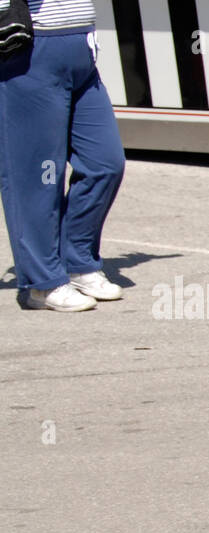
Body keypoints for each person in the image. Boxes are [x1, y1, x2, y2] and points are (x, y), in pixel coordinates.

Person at [0, 0, 124, 311]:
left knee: (105, 164)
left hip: (81, 52)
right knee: (41, 176)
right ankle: (43, 284)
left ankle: (77, 262)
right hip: (29, 54)